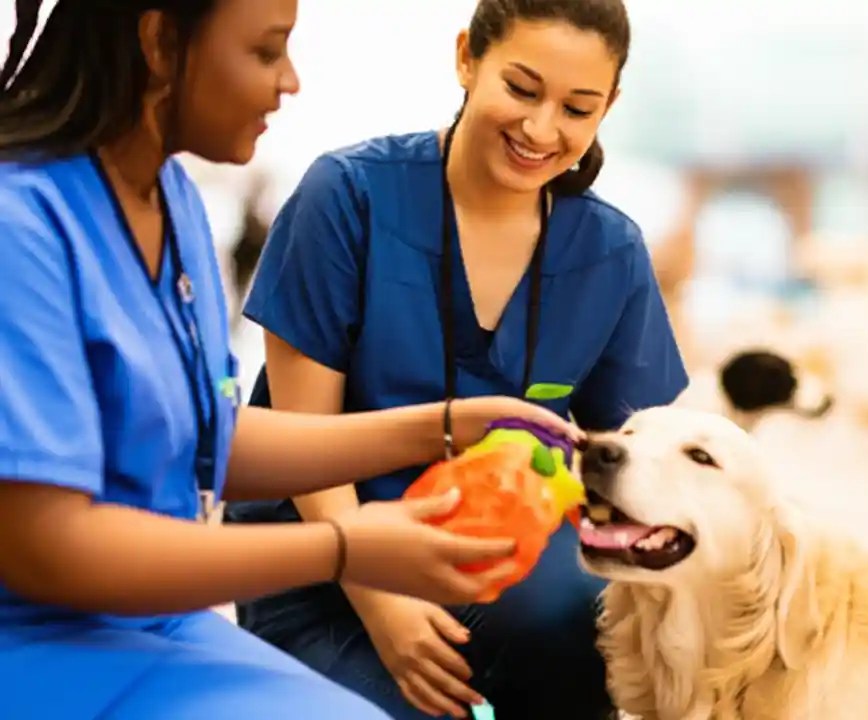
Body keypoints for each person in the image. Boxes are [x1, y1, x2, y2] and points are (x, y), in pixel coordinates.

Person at [0, 2, 581, 718]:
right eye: (267, 52)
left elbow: (207, 435)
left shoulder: (171, 203)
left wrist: (445, 424)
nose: (291, 81)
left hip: (154, 625)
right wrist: (341, 548)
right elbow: (46, 549)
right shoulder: (21, 226)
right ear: (157, 39)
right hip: (36, 643)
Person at [222, 0, 688, 718]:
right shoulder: (348, 197)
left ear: (609, 107)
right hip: (325, 567)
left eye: (577, 108)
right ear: (467, 57)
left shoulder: (609, 253)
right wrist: (384, 611)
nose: (541, 130)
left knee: (596, 627)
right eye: (522, 89)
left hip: (503, 567)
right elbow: (297, 437)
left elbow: (637, 457)